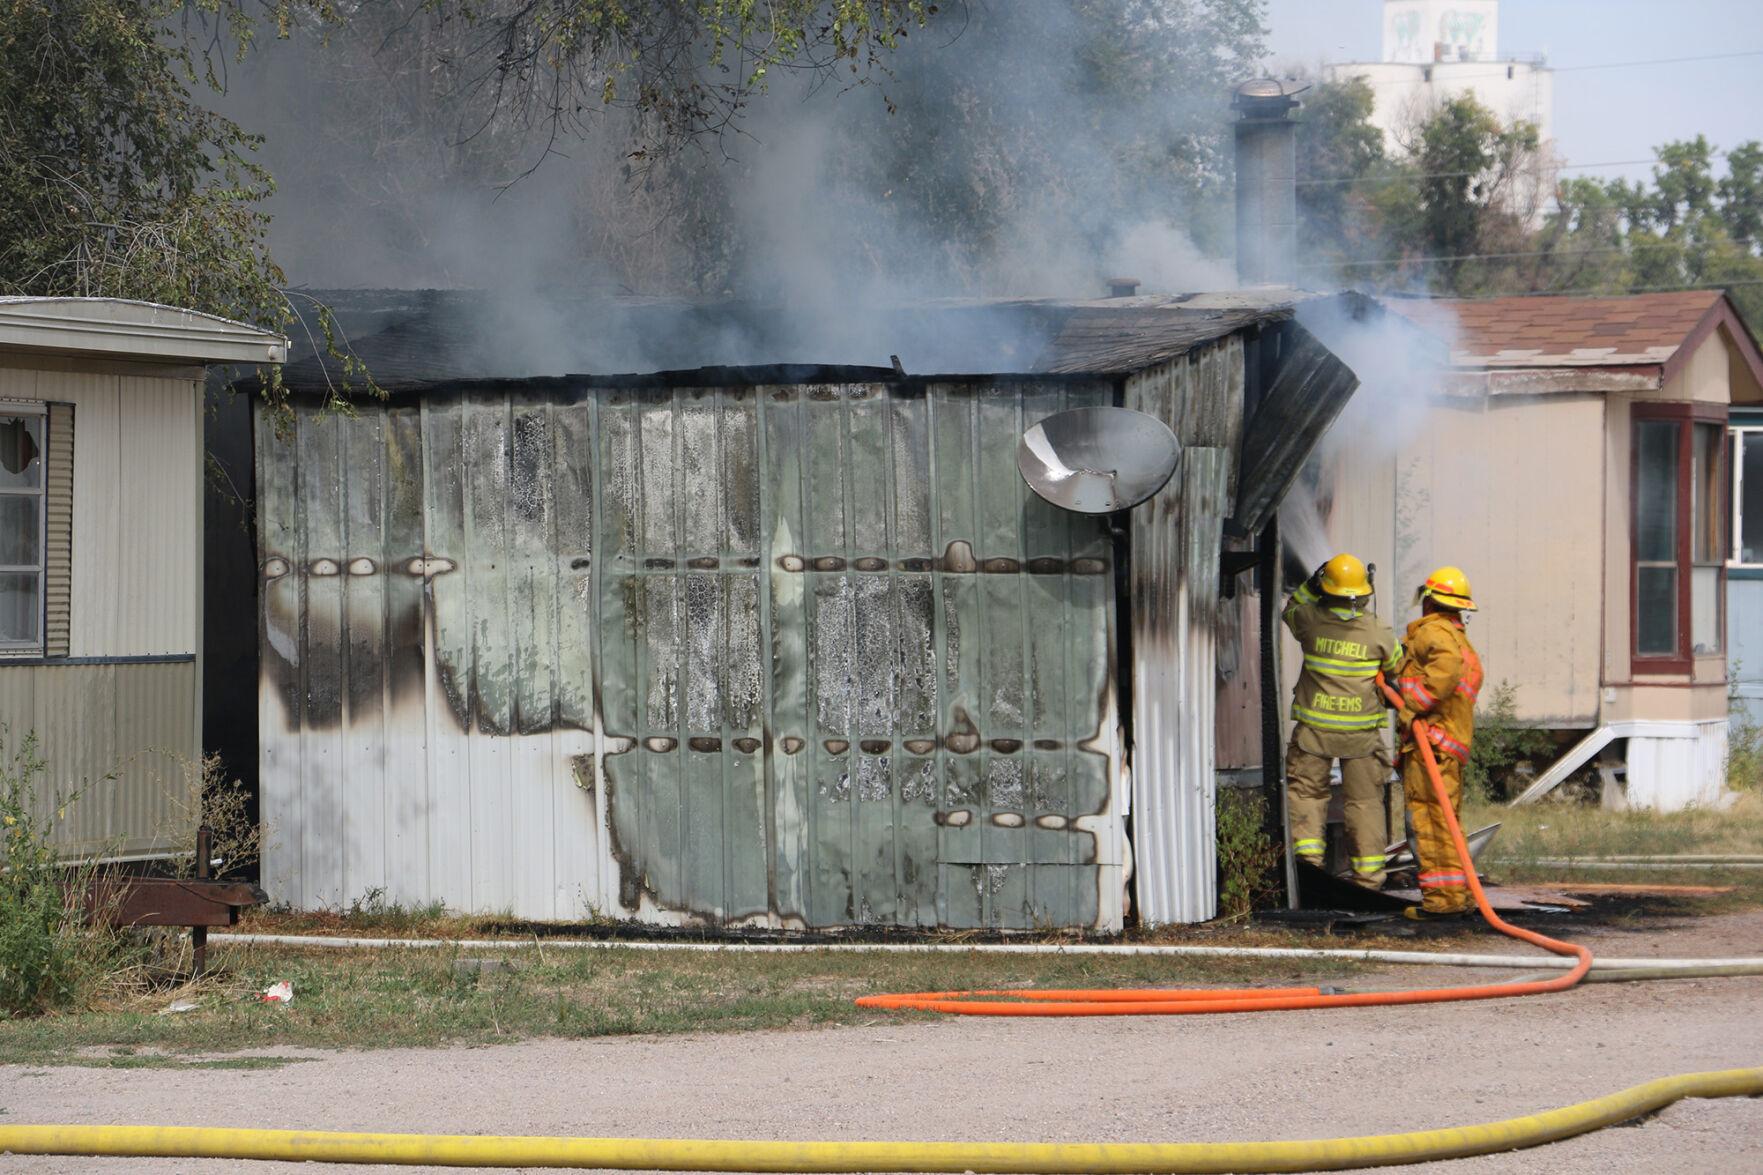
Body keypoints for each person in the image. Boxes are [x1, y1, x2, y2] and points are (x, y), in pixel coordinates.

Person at [1282, 553, 1404, 888]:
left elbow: (1289, 609)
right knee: (1364, 804)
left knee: (1307, 797)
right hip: (1361, 737)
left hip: (1314, 735)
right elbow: (1396, 667)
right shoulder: (1378, 632)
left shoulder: (1309, 622)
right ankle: (1369, 880)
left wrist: (1310, 584)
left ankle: (1308, 872)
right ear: (1364, 593)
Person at [1393, 566, 1485, 921]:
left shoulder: (1435, 632)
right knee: (1446, 822)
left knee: (1429, 822)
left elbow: (1442, 673)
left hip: (1430, 744)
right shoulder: (1459, 638)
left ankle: (1441, 903)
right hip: (1446, 743)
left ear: (1430, 601)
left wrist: (1412, 706)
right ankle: (1456, 896)